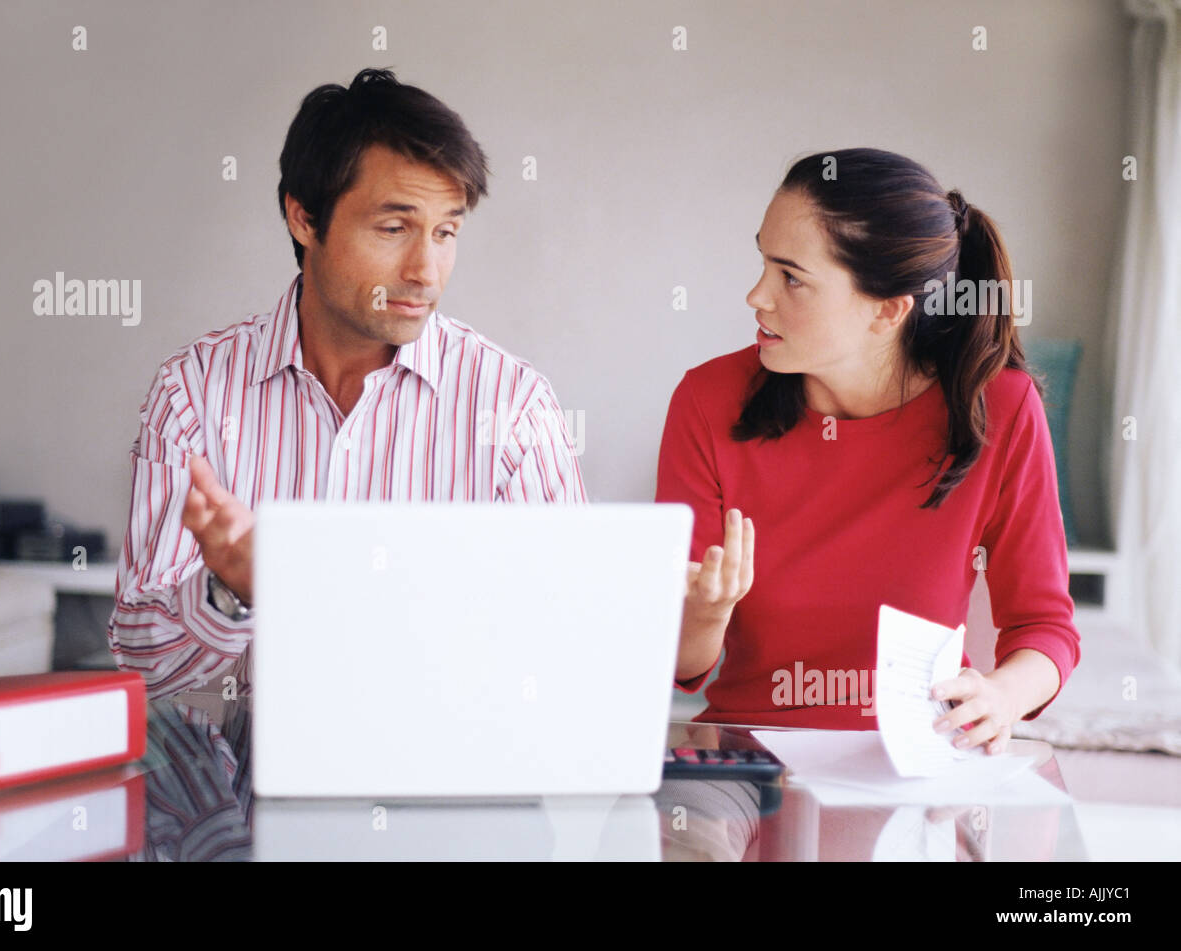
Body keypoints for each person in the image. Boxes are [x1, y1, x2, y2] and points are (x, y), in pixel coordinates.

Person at [108, 69, 586, 699]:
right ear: (305, 219)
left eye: (446, 232)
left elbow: (572, 648)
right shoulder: (193, 394)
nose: (426, 271)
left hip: (447, 785)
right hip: (240, 790)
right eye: (394, 229)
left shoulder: (514, 408)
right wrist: (229, 593)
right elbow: (141, 670)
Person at [657, 148, 1079, 754]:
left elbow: (1045, 628)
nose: (757, 296)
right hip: (751, 755)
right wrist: (704, 612)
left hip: (921, 756)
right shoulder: (706, 400)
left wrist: (1002, 696)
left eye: (791, 277)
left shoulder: (1001, 410)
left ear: (888, 310)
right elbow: (682, 665)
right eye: (763, 264)